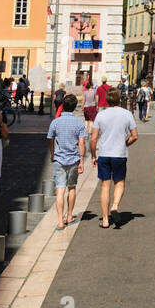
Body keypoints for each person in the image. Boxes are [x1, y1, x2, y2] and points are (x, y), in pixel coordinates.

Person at [90, 87, 138, 228]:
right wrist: (125, 144)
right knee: (119, 182)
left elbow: (93, 139)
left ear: (107, 99)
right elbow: (135, 135)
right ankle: (115, 206)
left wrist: (93, 155)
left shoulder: (101, 115)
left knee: (105, 185)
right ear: (119, 98)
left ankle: (105, 220)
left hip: (104, 154)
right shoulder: (127, 114)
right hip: (119, 154)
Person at [46, 93, 87, 229]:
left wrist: (52, 153)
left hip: (59, 158)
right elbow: (81, 143)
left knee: (60, 189)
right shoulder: (79, 123)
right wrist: (81, 159)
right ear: (75, 107)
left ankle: (60, 221)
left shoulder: (55, 122)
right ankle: (69, 215)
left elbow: (50, 139)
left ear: (63, 105)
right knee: (72, 188)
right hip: (73, 158)